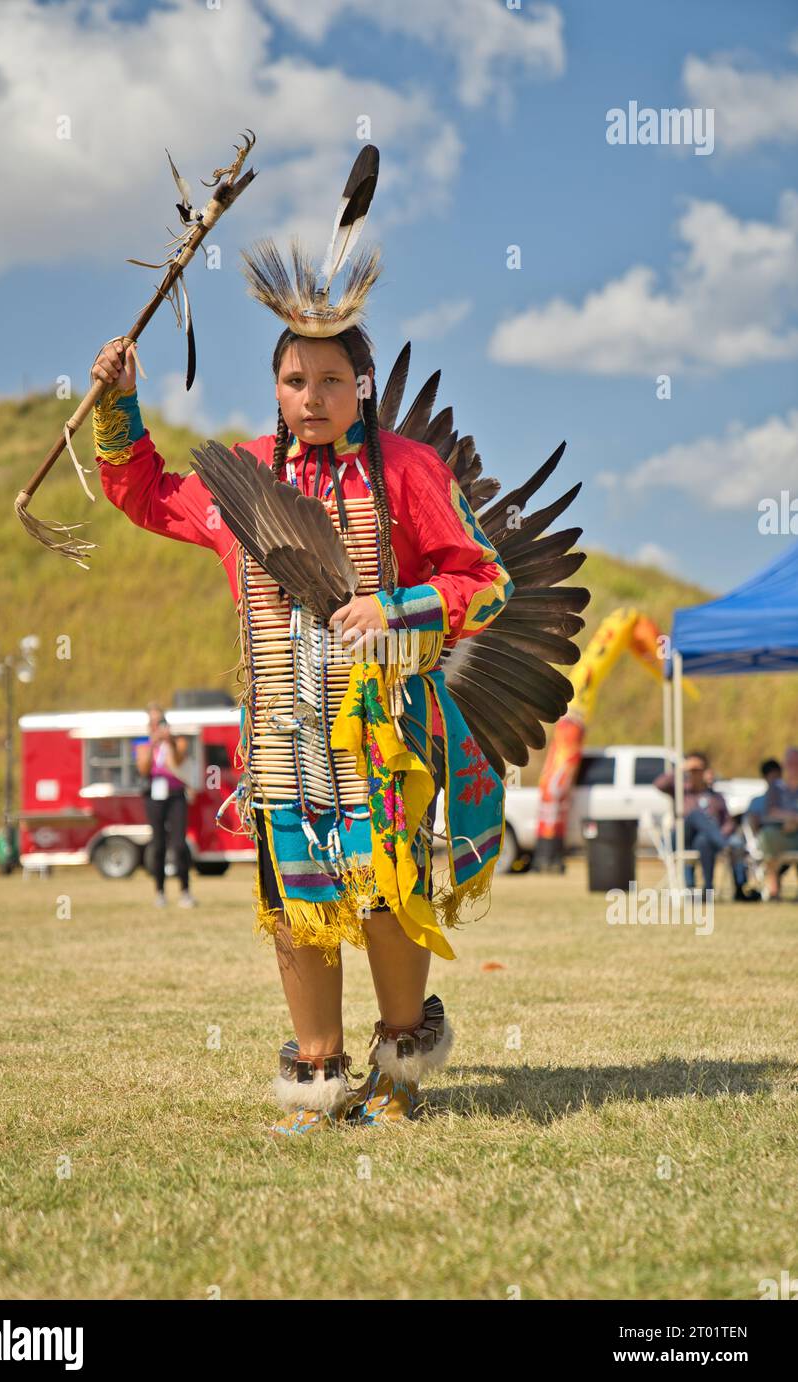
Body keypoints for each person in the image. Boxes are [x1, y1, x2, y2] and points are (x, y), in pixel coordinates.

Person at [88, 146, 584, 1135]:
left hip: (381, 729)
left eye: (328, 377)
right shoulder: (242, 485)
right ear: (274, 388)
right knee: (293, 908)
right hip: (279, 731)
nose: (310, 394)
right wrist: (115, 405)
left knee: (383, 899)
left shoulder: (402, 470)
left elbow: (481, 580)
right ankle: (316, 1078)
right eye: (292, 377)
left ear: (359, 384)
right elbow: (142, 491)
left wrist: (395, 610)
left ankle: (397, 1070)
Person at [655, 751, 757, 900]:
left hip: (705, 841)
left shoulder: (715, 797)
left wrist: (720, 832)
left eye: (699, 769)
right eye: (692, 770)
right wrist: (680, 768)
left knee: (704, 840)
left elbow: (728, 821)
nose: (695, 774)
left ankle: (707, 888)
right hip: (683, 837)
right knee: (696, 815)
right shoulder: (681, 791)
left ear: (706, 771)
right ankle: (724, 845)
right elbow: (659, 784)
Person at [136, 703, 196, 909]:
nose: (156, 726)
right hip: (154, 796)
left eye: (159, 721)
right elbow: (143, 769)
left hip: (176, 796)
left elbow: (178, 762)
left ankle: (185, 891)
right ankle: (160, 892)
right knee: (158, 845)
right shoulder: (144, 744)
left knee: (179, 844)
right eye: (152, 722)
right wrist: (153, 743)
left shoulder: (177, 742)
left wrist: (168, 741)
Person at [757, 746, 798, 900]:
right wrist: (789, 819)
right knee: (767, 836)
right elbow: (770, 813)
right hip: (780, 833)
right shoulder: (776, 787)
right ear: (785, 765)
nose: (794, 766)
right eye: (791, 762)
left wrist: (794, 821)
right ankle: (773, 889)